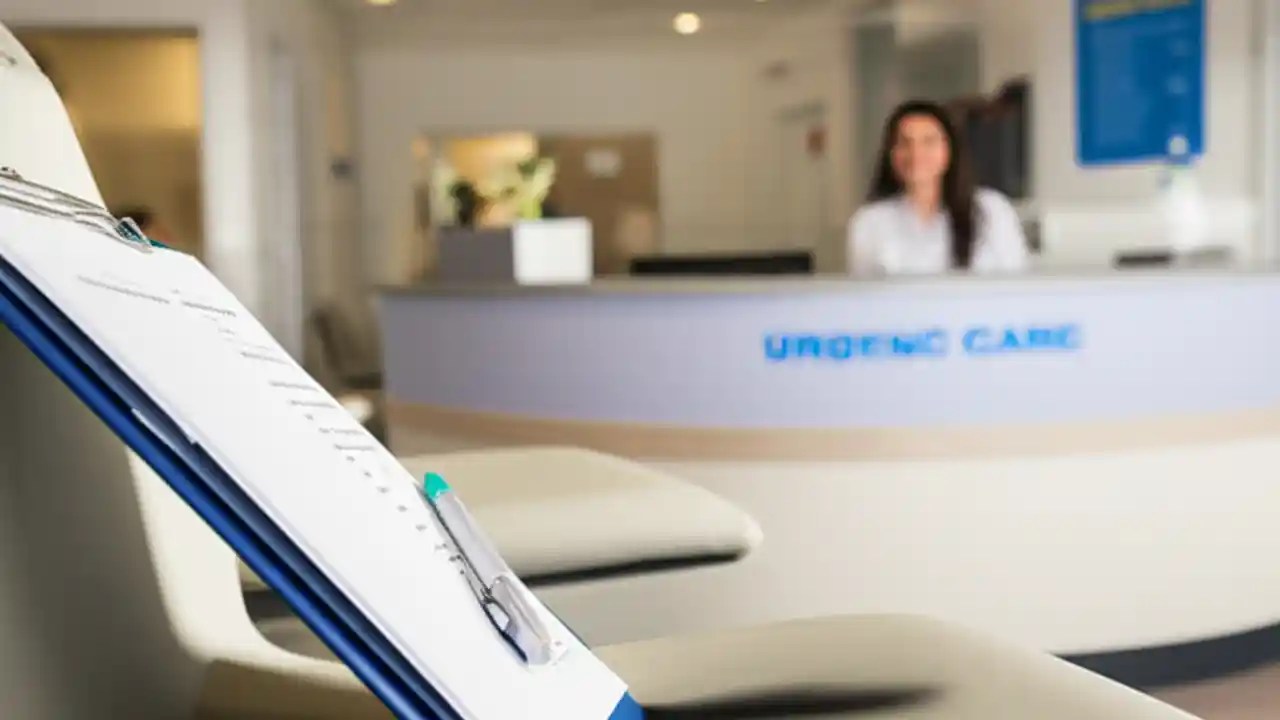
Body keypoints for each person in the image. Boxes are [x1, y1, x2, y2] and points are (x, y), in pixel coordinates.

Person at [847, 100, 1029, 277]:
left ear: (950, 149)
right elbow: (864, 300)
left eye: (929, 141)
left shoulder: (992, 210)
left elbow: (1017, 288)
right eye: (904, 142)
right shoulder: (868, 221)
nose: (916, 153)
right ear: (890, 153)